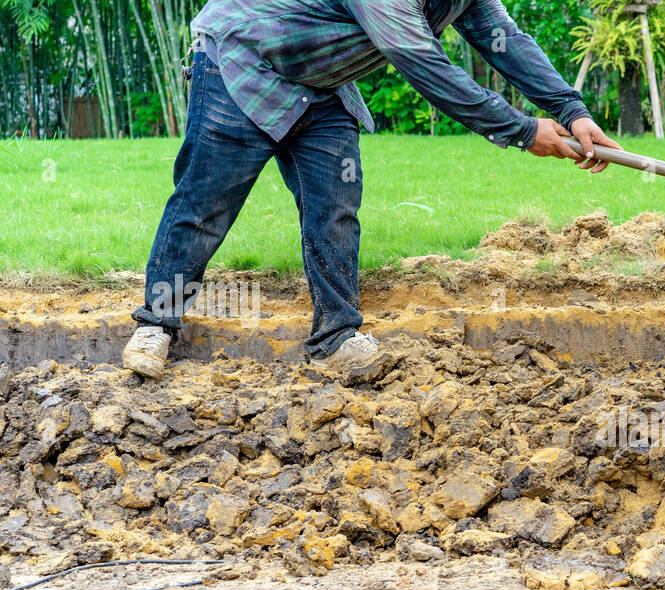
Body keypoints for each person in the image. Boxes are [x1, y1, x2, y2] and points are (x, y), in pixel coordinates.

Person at [123, 0, 620, 380]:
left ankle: (336, 334)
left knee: (334, 206)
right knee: (205, 203)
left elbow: (503, 40)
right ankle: (157, 323)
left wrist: (571, 111)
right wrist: (521, 130)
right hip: (242, 61)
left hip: (323, 80)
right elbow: (418, 57)